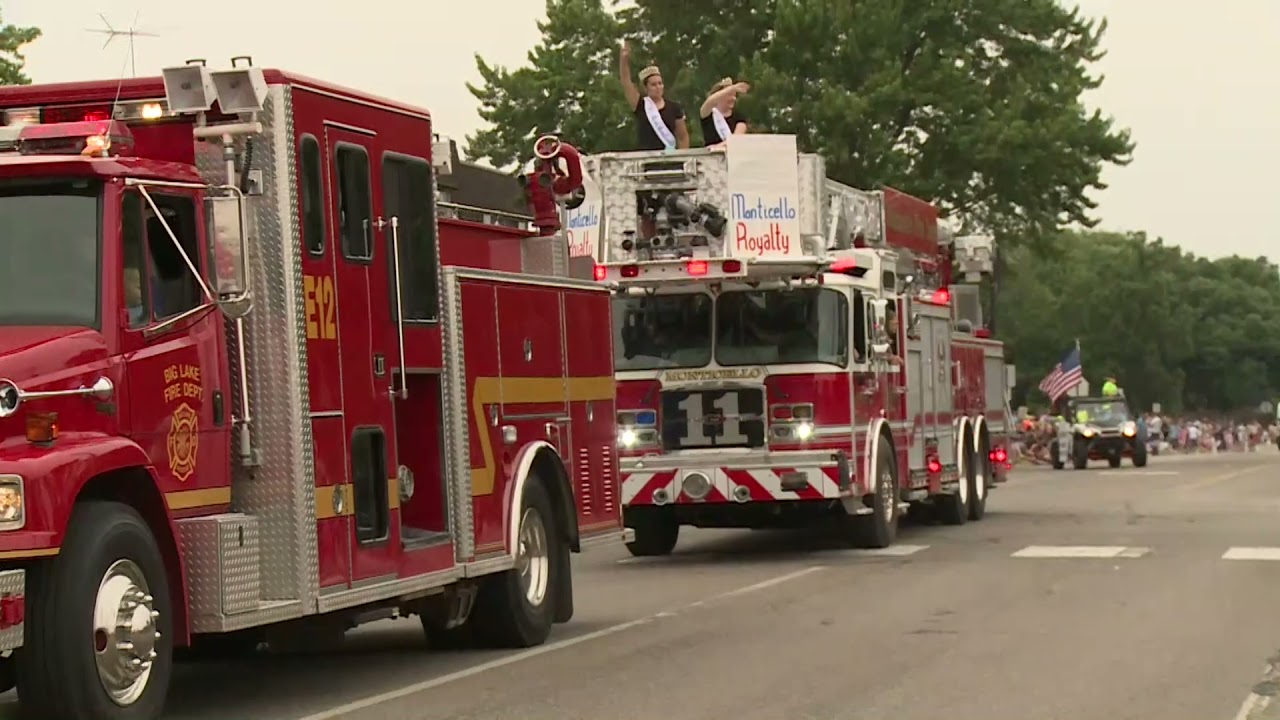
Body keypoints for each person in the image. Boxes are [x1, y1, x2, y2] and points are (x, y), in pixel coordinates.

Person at [618, 41, 689, 152]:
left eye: (660, 83)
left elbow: (682, 137)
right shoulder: (640, 105)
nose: (658, 87)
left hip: (669, 158)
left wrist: (682, 157)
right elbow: (626, 81)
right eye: (653, 84)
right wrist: (624, 60)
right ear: (646, 88)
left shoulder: (674, 107)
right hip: (646, 159)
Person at [699, 77, 750, 148]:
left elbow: (736, 140)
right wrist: (732, 88)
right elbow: (710, 101)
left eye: (734, 95)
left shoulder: (739, 117)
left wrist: (717, 147)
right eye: (729, 95)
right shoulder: (708, 113)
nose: (733, 98)